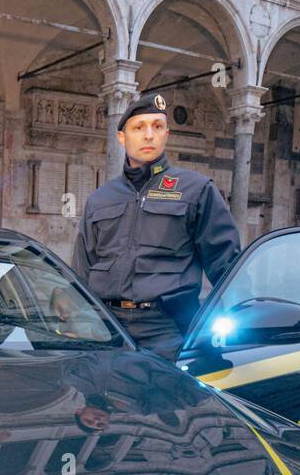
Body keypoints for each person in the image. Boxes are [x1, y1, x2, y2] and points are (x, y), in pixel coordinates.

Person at [73, 91, 240, 360]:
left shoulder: (196, 190)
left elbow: (227, 269)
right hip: (107, 331)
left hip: (167, 332)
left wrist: (219, 332)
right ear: (121, 136)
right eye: (139, 127)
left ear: (166, 134)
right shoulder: (100, 199)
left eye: (157, 126)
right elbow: (82, 270)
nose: (149, 135)